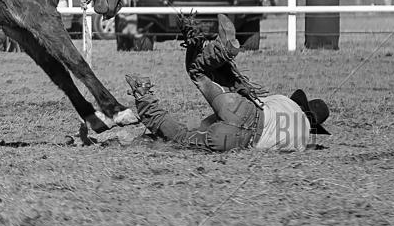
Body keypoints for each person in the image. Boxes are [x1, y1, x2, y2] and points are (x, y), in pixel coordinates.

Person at [124, 14, 329, 152]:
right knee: (182, 138)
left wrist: (208, 122)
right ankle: (143, 95)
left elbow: (242, 94)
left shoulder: (285, 102)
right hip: (240, 141)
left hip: (250, 112)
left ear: (303, 105)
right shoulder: (302, 142)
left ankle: (218, 51)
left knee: (197, 72)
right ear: (314, 126)